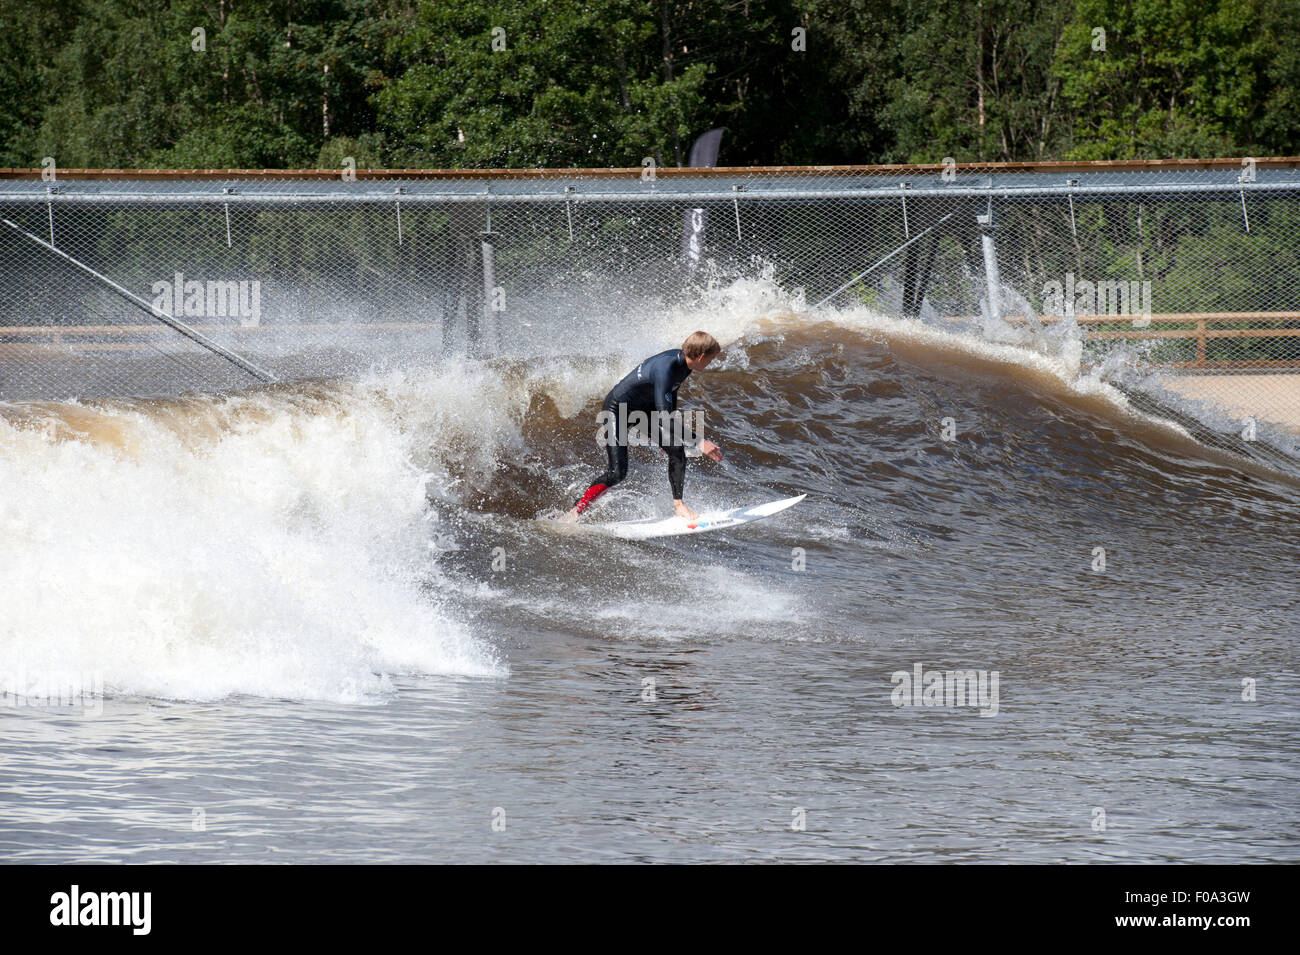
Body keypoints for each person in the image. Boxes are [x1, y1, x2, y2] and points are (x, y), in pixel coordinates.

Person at [561, 331, 724, 523]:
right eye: (711, 359)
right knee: (617, 472)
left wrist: (667, 438)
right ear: (701, 356)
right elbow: (664, 415)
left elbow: (670, 395)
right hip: (617, 410)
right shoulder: (666, 369)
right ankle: (575, 511)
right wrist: (699, 442)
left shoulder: (684, 364)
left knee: (676, 448)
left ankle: (679, 506)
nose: (711, 362)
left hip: (643, 410)